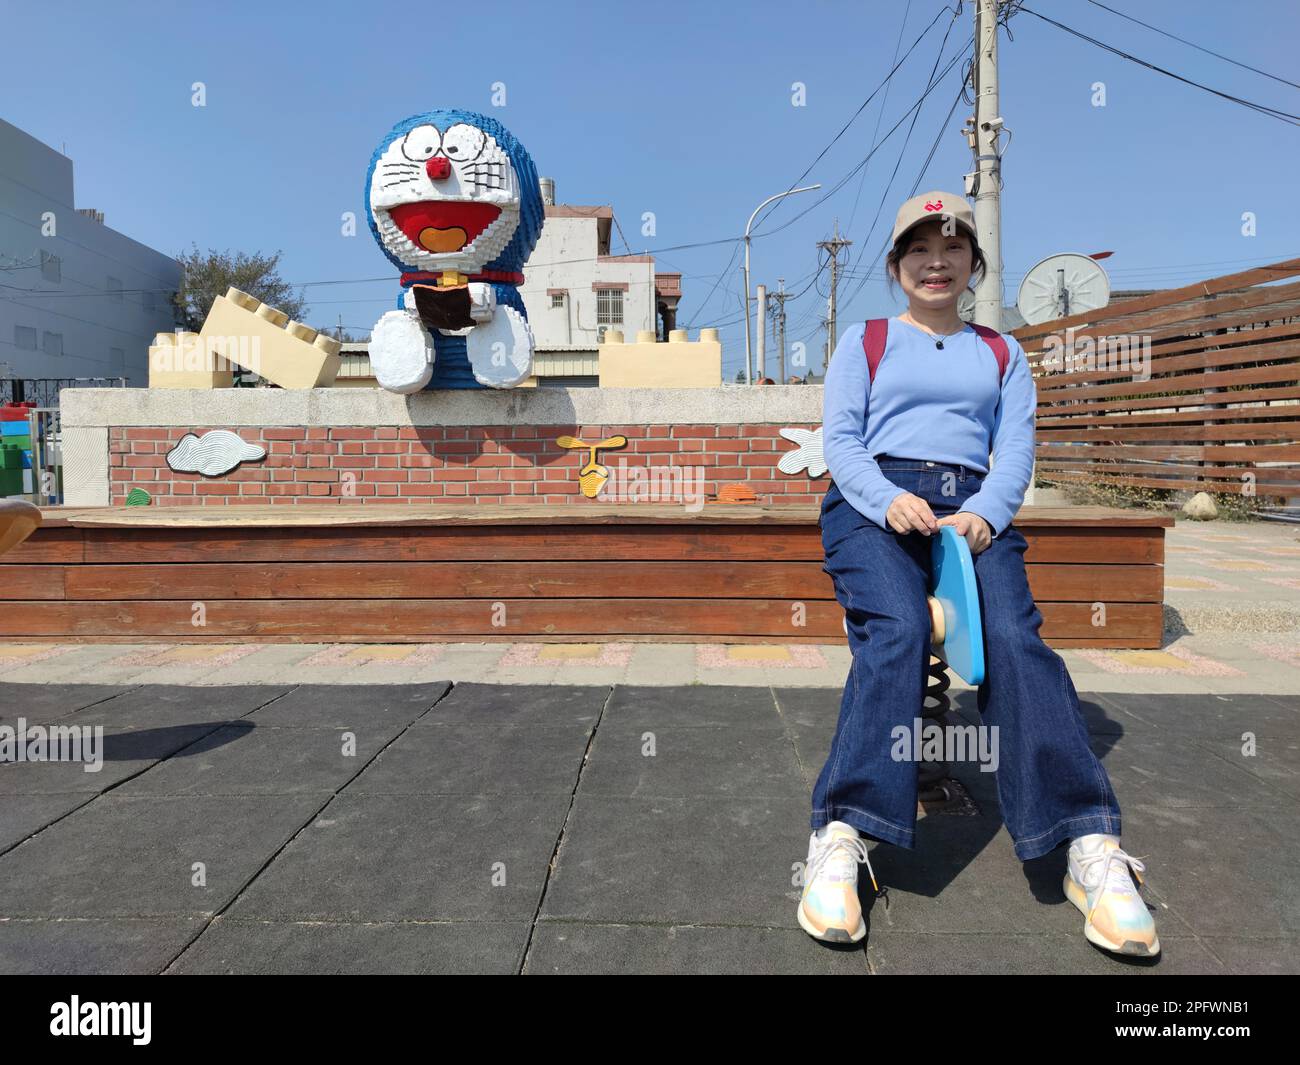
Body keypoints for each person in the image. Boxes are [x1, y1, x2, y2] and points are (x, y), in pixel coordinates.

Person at [797, 191, 1159, 958]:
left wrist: (986, 514)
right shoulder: (864, 341)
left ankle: (1086, 844)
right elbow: (841, 440)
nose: (937, 259)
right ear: (896, 265)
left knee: (1013, 642)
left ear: (973, 264)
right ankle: (843, 832)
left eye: (953, 246)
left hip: (972, 510)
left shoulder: (1001, 352)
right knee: (896, 631)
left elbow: (1016, 453)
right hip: (875, 502)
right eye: (919, 248)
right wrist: (889, 499)